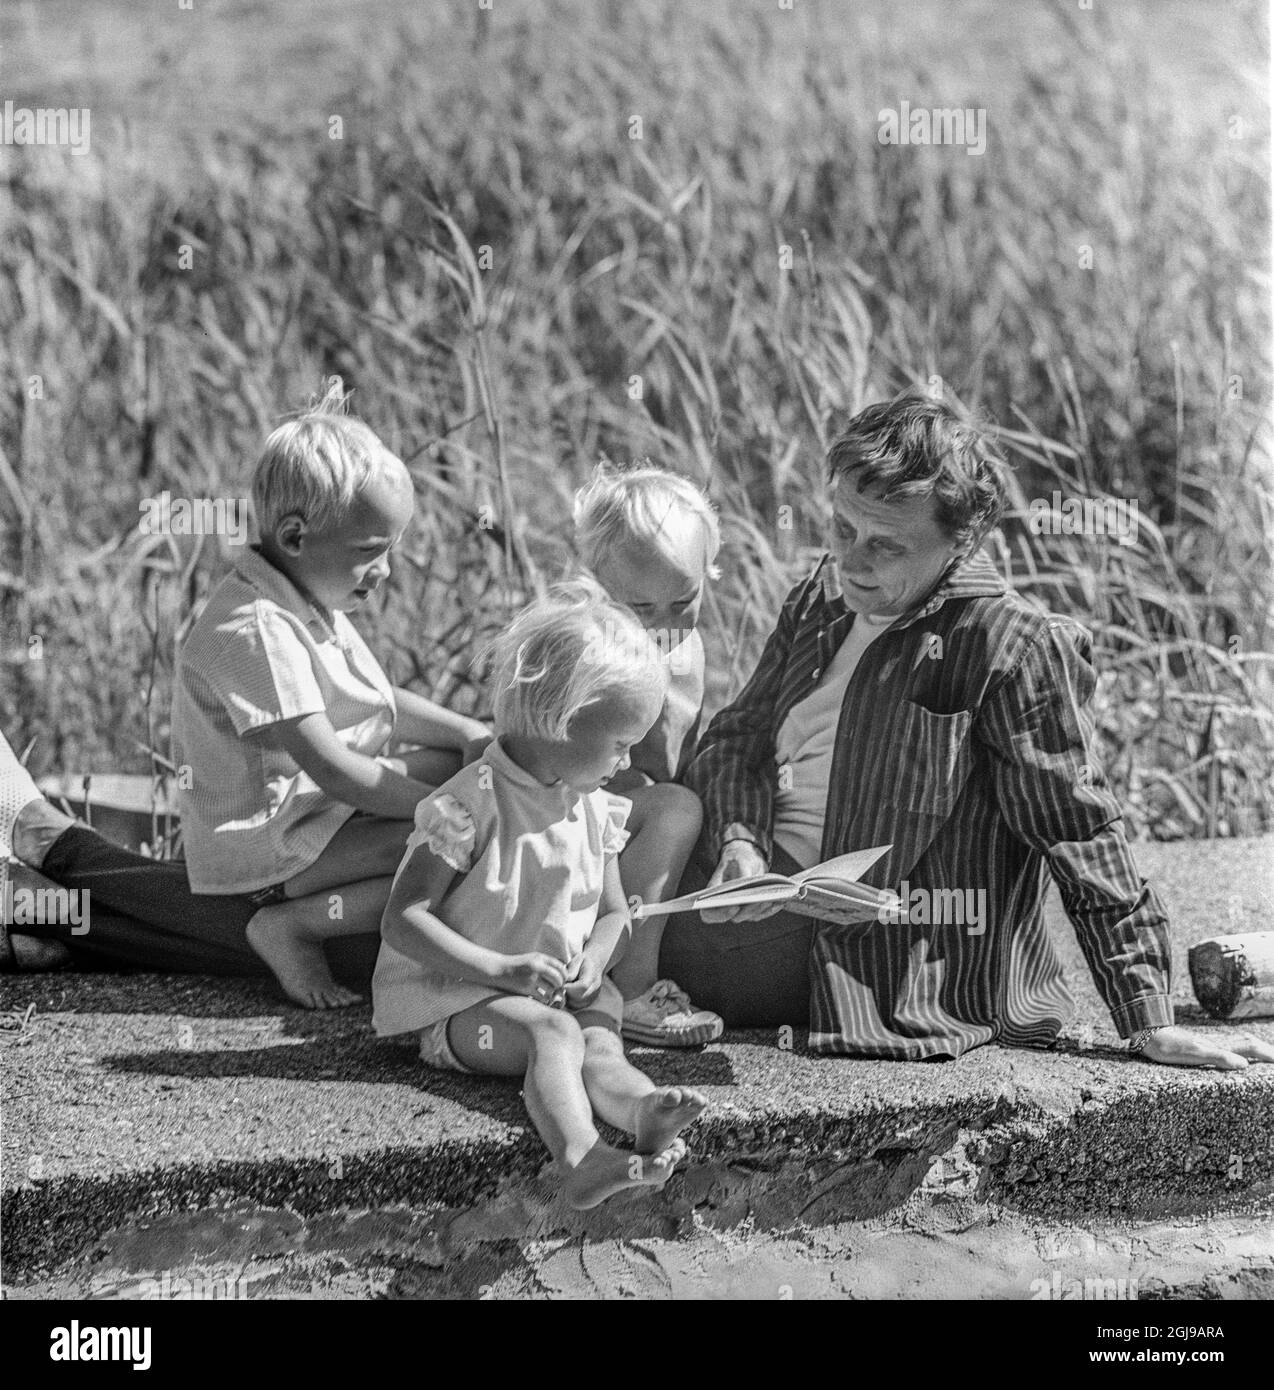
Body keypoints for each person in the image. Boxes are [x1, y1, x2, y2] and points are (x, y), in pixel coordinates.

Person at [661, 392, 1274, 1072]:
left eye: (885, 544)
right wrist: (741, 844)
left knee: (602, 949)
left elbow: (1078, 829)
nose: (852, 561)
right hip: (758, 887)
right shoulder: (819, 599)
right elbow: (734, 741)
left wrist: (1146, 1014)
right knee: (611, 844)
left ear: (960, 540)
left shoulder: (1009, 646)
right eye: (841, 528)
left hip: (878, 953)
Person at [0, 393, 490, 1001]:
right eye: (371, 551)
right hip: (273, 851)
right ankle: (44, 851)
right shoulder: (257, 626)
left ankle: (45, 909)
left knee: (470, 780)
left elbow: (373, 696)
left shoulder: (306, 591)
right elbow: (336, 771)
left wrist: (469, 736)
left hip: (312, 819)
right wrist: (441, 809)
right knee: (439, 842)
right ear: (294, 536)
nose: (387, 570)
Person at [372, 583, 708, 1208]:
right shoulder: (467, 804)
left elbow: (613, 914)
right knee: (554, 1037)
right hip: (460, 1006)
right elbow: (404, 920)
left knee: (599, 1042)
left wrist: (597, 961)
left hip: (556, 993)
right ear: (560, 720)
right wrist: (500, 968)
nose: (627, 760)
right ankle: (579, 1157)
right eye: (618, 744)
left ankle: (640, 1109)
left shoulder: (592, 806)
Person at [574, 462, 722, 1047]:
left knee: (688, 804)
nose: (664, 623)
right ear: (597, 588)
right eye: (641, 609)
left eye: (683, 599)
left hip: (622, 809)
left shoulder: (687, 643)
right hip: (574, 807)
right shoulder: (593, 644)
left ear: (709, 574)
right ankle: (632, 984)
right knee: (678, 810)